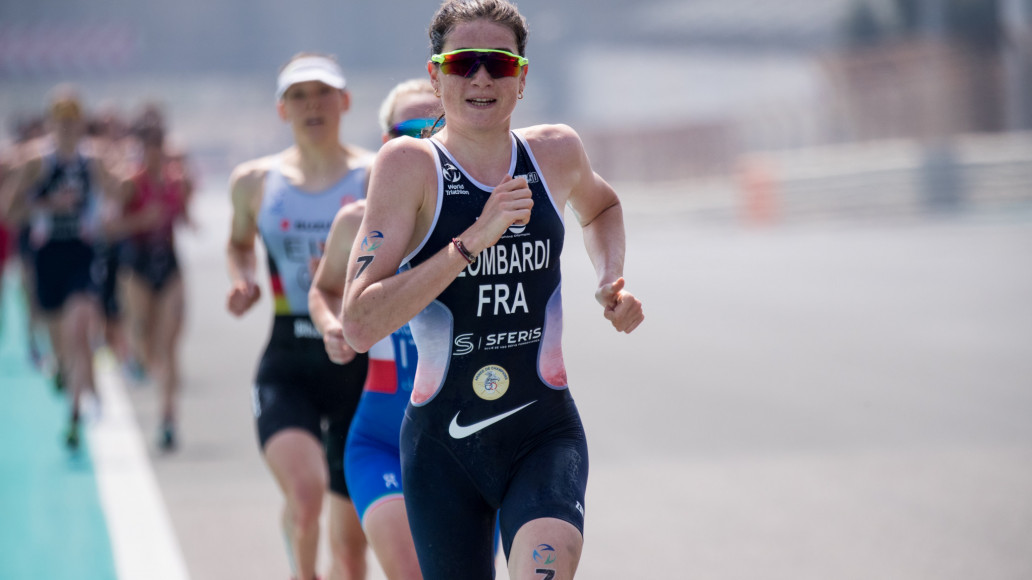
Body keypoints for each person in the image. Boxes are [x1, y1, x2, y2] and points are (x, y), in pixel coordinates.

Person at [340, 1, 645, 578]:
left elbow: (602, 205)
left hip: (543, 432)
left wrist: (610, 281)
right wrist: (472, 240)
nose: (481, 77)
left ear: (522, 78)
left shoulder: (555, 152)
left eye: (499, 64)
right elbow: (359, 323)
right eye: (464, 63)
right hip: (442, 447)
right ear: (436, 76)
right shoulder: (409, 166)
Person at [225, 53, 372, 580]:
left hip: (360, 362)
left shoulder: (376, 177)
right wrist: (245, 280)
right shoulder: (255, 182)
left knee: (352, 551)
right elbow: (240, 244)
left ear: (345, 102)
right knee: (305, 500)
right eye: (299, 97)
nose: (312, 106)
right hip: (288, 360)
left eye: (323, 93)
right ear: (282, 108)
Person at [309, 78, 441, 580]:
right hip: (382, 437)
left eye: (438, 127)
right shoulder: (358, 223)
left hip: (473, 439)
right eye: (408, 130)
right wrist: (329, 326)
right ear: (387, 145)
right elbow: (323, 291)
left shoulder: (489, 223)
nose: (423, 141)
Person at [0, 86, 121, 449]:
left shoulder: (94, 160)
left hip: (81, 253)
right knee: (61, 343)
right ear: (51, 123)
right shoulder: (37, 162)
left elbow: (116, 196)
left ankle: (74, 414)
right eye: (61, 121)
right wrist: (50, 205)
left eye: (73, 121)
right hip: (48, 255)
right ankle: (68, 381)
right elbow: (9, 212)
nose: (67, 128)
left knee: (80, 330)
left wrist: (113, 191)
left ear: (81, 123)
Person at [107, 120, 192, 451]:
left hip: (169, 267)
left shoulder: (176, 182)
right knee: (144, 335)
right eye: (149, 149)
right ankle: (142, 363)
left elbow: (183, 217)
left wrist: (188, 217)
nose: (155, 155)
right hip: (137, 266)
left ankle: (168, 417)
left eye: (160, 148)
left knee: (170, 345)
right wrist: (140, 221)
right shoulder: (130, 184)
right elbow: (110, 228)